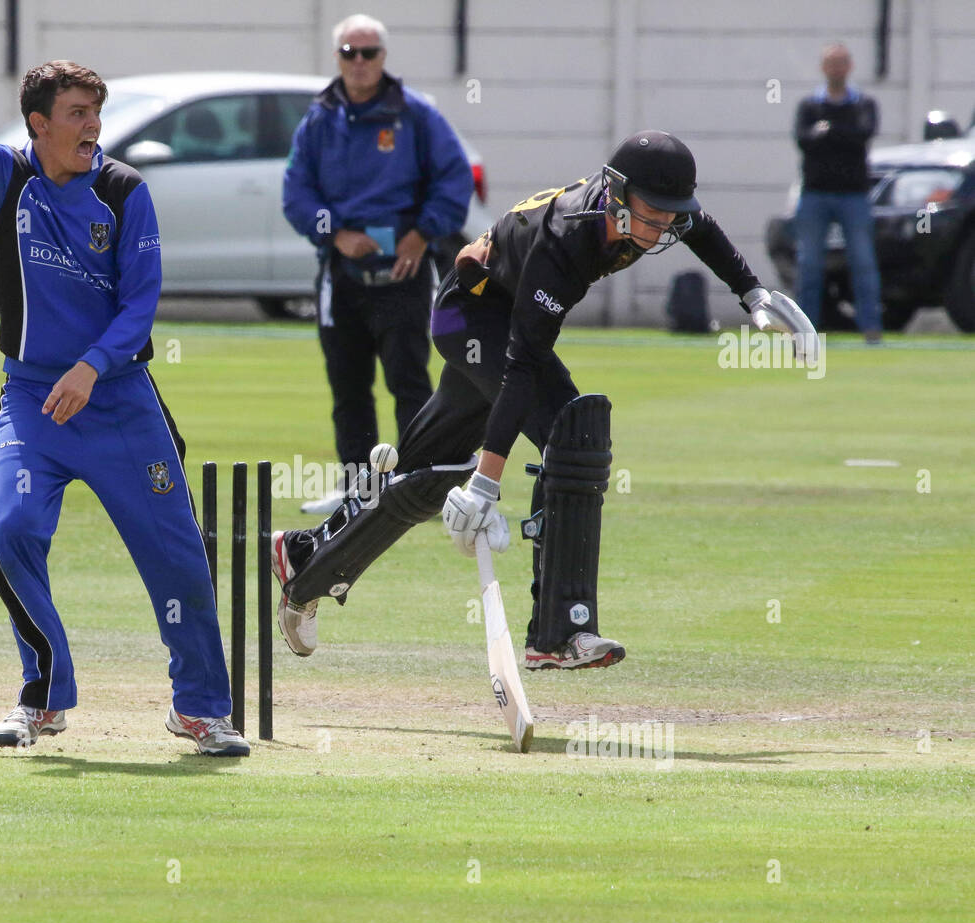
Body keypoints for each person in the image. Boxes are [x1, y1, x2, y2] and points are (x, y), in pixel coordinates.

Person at [272, 131, 793, 670]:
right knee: (572, 435)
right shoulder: (566, 240)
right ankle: (559, 631)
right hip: (470, 317)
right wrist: (486, 484)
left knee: (429, 470)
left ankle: (305, 556)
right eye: (653, 214)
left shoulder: (644, 213)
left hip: (496, 316)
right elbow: (522, 365)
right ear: (616, 195)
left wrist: (752, 293)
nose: (662, 228)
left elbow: (699, 227)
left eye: (670, 216)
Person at [0, 0, 248, 756]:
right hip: (33, 406)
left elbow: (141, 305)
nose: (91, 128)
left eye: (96, 113)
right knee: (12, 534)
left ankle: (199, 708)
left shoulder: (123, 192)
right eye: (76, 114)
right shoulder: (3, 181)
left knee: (178, 556)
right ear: (38, 123)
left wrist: (91, 367)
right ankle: (42, 697)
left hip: (122, 404)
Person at [283, 13, 474, 514]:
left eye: (369, 53)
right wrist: (335, 233)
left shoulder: (415, 114)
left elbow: (454, 182)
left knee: (409, 381)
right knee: (348, 387)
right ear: (338, 57)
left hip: (404, 275)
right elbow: (297, 195)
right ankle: (358, 491)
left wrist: (421, 235)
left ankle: (418, 485)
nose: (360, 63)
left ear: (384, 58)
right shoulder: (320, 118)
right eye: (350, 53)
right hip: (343, 277)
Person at [794, 43, 882, 342]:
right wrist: (837, 135)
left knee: (863, 262)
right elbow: (804, 141)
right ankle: (805, 331)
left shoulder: (863, 104)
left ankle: (871, 329)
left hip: (854, 196)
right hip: (815, 195)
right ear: (823, 67)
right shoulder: (809, 106)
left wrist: (829, 132)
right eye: (831, 63)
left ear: (850, 66)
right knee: (809, 266)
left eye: (841, 63)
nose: (836, 69)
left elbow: (862, 137)